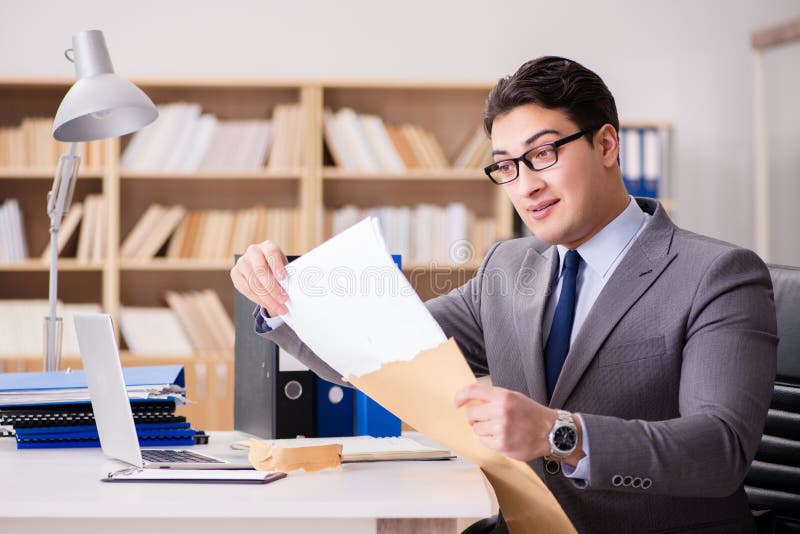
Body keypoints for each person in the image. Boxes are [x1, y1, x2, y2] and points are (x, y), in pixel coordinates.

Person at [230, 56, 777, 534]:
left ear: (606, 144)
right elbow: (380, 354)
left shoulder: (717, 274)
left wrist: (558, 432)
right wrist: (282, 296)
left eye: (543, 155)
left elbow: (718, 450)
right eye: (507, 167)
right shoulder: (508, 267)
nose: (525, 186)